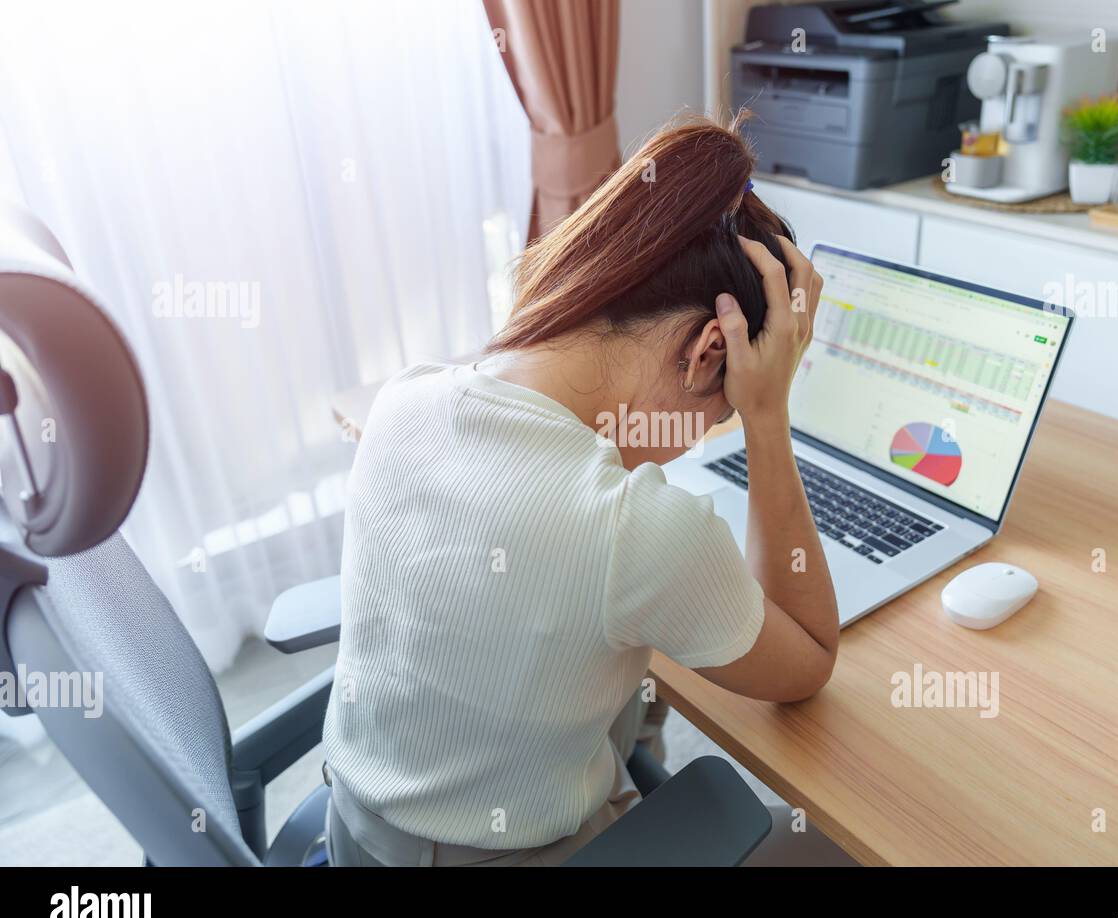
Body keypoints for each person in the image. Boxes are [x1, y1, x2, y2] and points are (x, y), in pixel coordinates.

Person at [323, 116, 839, 866]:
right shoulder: (633, 527)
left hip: (359, 832)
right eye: (719, 412)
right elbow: (810, 661)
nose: (704, 434)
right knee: (826, 846)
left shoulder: (406, 399)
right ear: (709, 352)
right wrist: (768, 414)